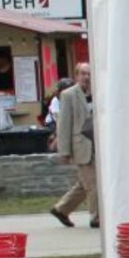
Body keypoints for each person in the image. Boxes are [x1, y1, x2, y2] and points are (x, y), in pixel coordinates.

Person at [49, 63, 95, 229]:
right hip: (81, 146)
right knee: (93, 184)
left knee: (85, 183)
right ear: (76, 76)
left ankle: (61, 209)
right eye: (83, 73)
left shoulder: (99, 91)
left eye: (89, 73)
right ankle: (96, 218)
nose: (87, 77)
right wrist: (64, 150)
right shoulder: (68, 95)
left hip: (98, 147)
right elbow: (64, 124)